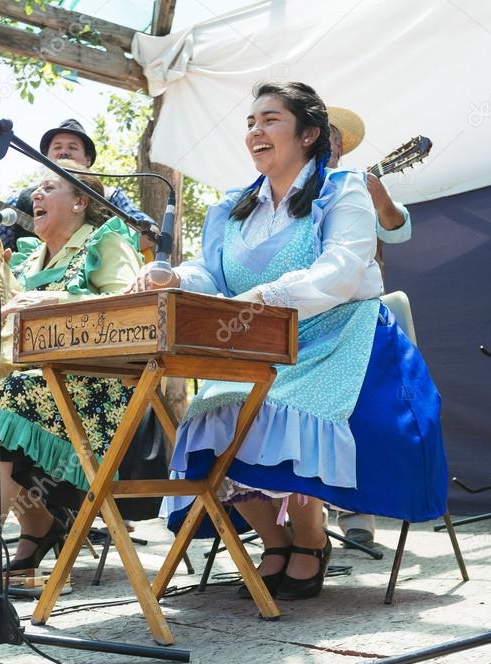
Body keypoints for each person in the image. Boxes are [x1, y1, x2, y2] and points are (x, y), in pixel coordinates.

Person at [136, 81, 448, 600]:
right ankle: (275, 541)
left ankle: (311, 541)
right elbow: (211, 274)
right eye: (251, 122)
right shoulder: (234, 207)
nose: (255, 131)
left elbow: (343, 269)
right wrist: (175, 277)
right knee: (211, 416)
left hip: (337, 336)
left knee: (283, 410)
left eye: (270, 119)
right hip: (258, 344)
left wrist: (265, 296)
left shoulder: (342, 189)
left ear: (308, 135)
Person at [0, 163, 158, 585]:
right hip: (41, 383)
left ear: (81, 201)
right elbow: (13, 322)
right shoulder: (31, 256)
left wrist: (56, 301)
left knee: (7, 401)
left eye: (49, 187)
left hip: (99, 389)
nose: (36, 195)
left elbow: (130, 309)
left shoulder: (106, 240)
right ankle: (39, 527)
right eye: (36, 188)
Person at [325, 106, 418, 547]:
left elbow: (398, 231)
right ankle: (295, 509)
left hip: (354, 318)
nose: (323, 141)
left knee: (355, 401)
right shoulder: (279, 190)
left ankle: (355, 509)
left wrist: (379, 198)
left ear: (339, 145)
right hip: (297, 319)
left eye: (330, 136)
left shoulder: (355, 185)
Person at [0, 118, 153, 254]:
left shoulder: (109, 197)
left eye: (72, 147)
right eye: (57, 147)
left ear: (87, 159)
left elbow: (151, 234)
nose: (63, 152)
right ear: (46, 158)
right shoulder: (22, 199)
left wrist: (99, 252)